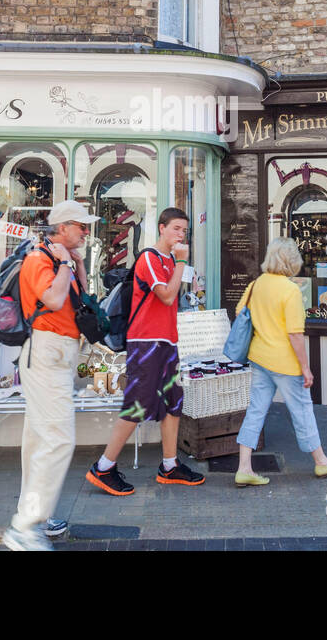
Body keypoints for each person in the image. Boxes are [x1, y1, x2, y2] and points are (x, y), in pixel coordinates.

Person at [2, 200, 100, 552]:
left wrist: (76, 263)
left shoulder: (60, 259)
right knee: (58, 439)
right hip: (45, 351)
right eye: (81, 226)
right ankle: (24, 527)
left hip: (56, 351)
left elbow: (81, 298)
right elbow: (56, 300)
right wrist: (63, 262)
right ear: (61, 228)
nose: (86, 231)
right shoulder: (39, 259)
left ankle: (34, 516)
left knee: (39, 440)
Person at [87, 207, 204, 496]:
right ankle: (103, 467)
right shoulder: (150, 258)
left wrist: (182, 269)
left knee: (174, 402)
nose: (181, 234)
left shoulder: (168, 260)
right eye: (176, 228)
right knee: (137, 405)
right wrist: (180, 263)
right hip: (146, 342)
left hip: (167, 342)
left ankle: (169, 465)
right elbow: (165, 295)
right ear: (162, 228)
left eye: (184, 230)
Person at [234, 237, 327, 486]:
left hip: (259, 358)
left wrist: (264, 327)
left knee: (255, 410)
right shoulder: (290, 290)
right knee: (302, 411)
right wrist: (305, 368)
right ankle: (321, 461)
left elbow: (239, 312)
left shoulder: (256, 285)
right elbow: (295, 334)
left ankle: (244, 467)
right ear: (292, 261)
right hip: (284, 363)